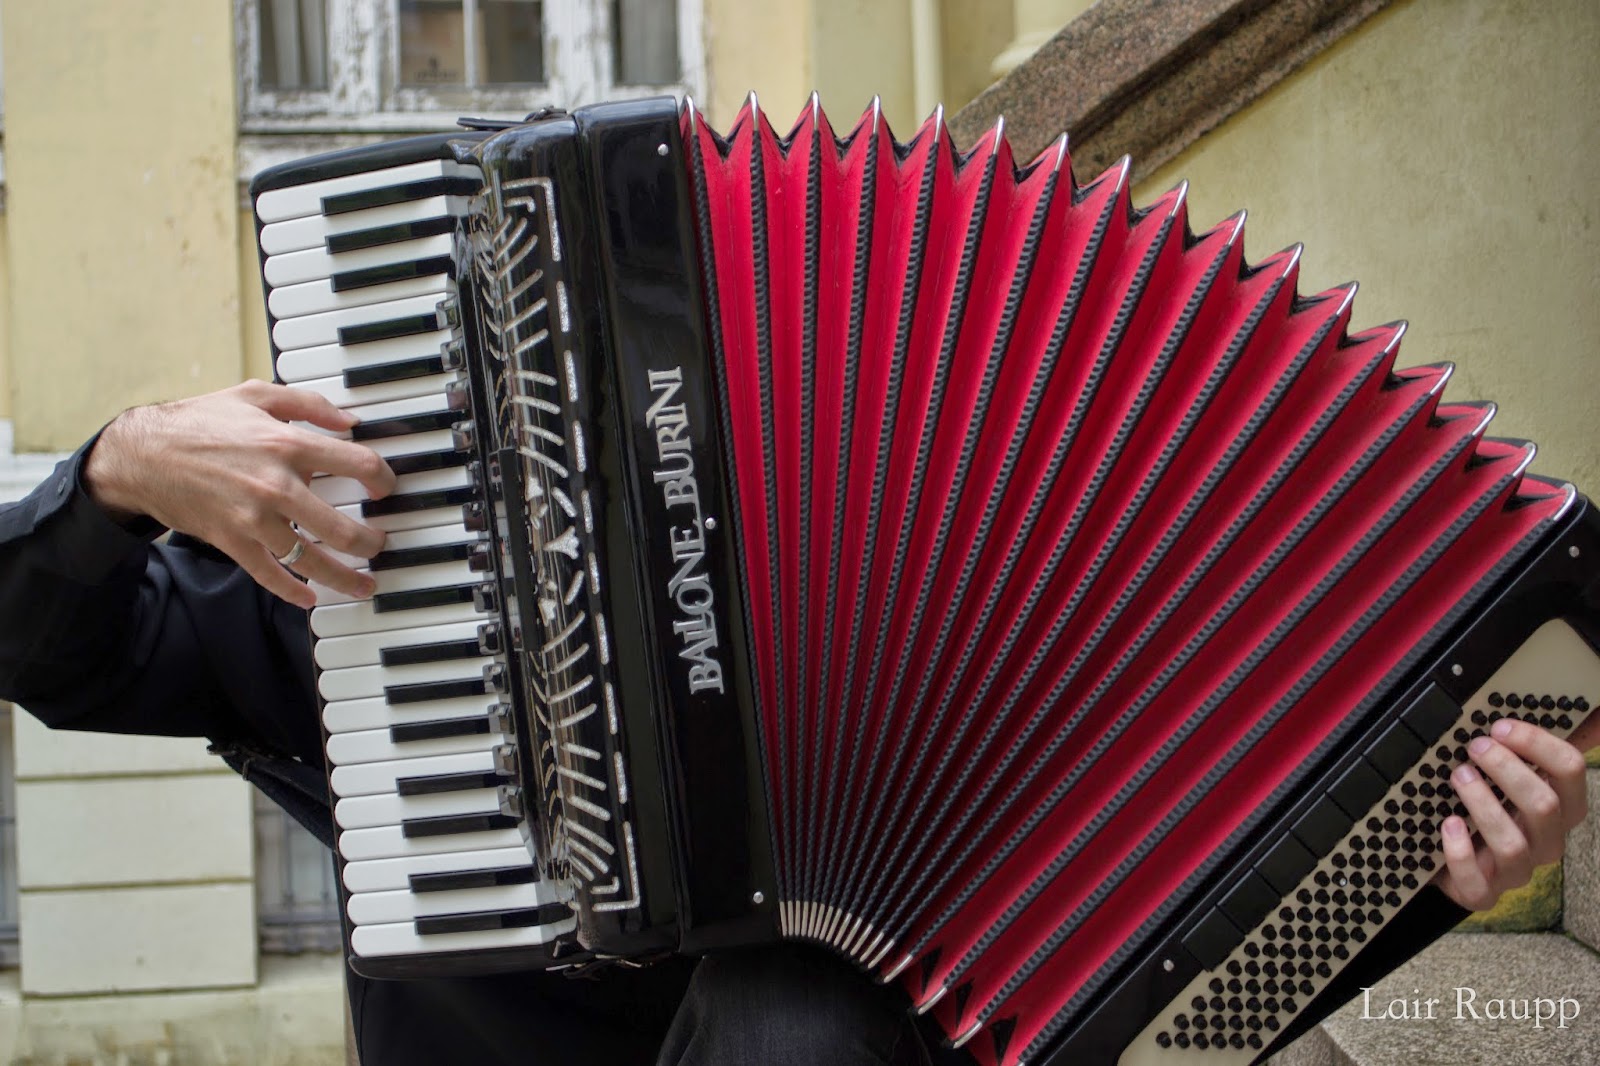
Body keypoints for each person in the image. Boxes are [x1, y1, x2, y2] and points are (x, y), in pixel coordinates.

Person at [0, 379, 1590, 1065]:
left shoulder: (985, 559)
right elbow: (63, 648)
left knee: (791, 1019)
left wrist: (1415, 877)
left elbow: (1170, 947)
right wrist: (125, 460)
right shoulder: (376, 554)